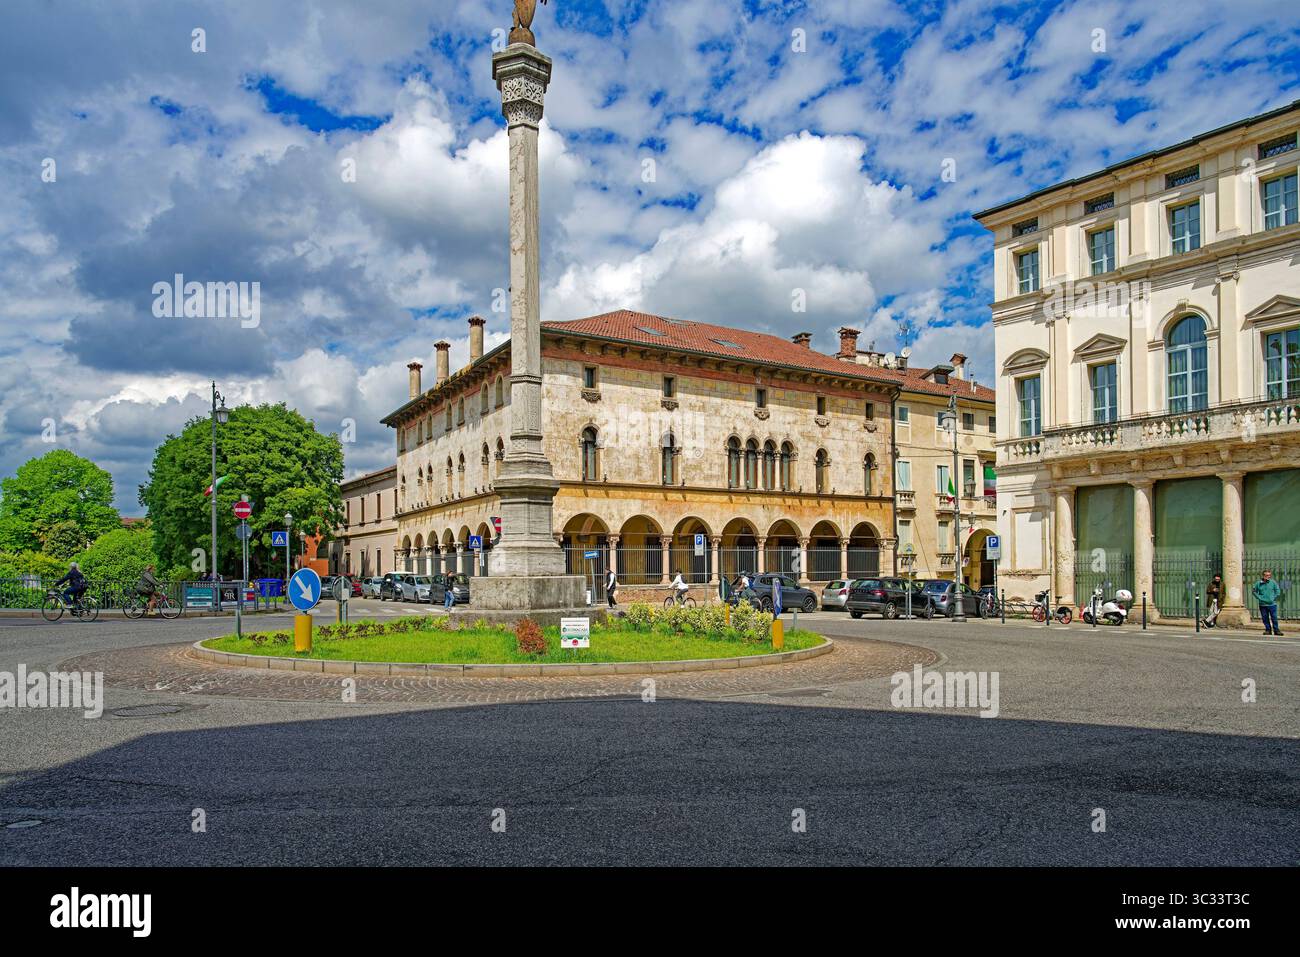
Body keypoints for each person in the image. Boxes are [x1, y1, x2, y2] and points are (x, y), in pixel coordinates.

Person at [1252, 569, 1283, 636]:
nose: (1268, 577)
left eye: (1269, 575)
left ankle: (1276, 630)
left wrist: (1273, 598)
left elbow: (1278, 591)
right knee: (1265, 618)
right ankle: (1268, 630)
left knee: (1274, 618)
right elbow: (1254, 591)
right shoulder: (1258, 583)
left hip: (1272, 604)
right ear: (1263, 575)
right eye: (1266, 575)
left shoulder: (1273, 583)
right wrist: (1259, 597)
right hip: (1262, 605)